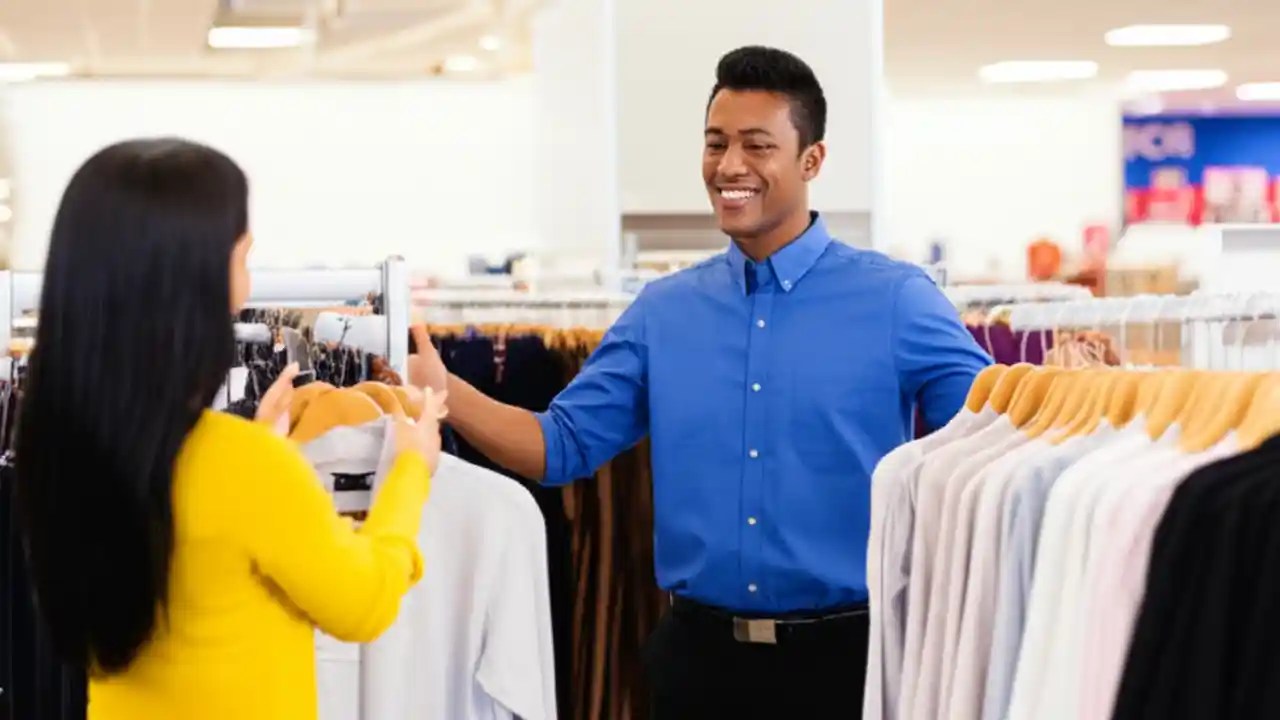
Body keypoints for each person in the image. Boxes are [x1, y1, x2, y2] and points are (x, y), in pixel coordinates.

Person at [413, 46, 992, 717]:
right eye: (716, 143)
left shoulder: (897, 300)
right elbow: (558, 446)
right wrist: (444, 393)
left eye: (757, 145)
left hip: (848, 666)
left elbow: (987, 438)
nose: (730, 166)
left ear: (812, 161)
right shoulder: (664, 311)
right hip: (697, 666)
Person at [14, 138, 447, 720]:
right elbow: (362, 604)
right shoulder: (241, 464)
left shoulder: (59, 445)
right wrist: (409, 473)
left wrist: (265, 455)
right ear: (193, 283)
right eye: (241, 256)